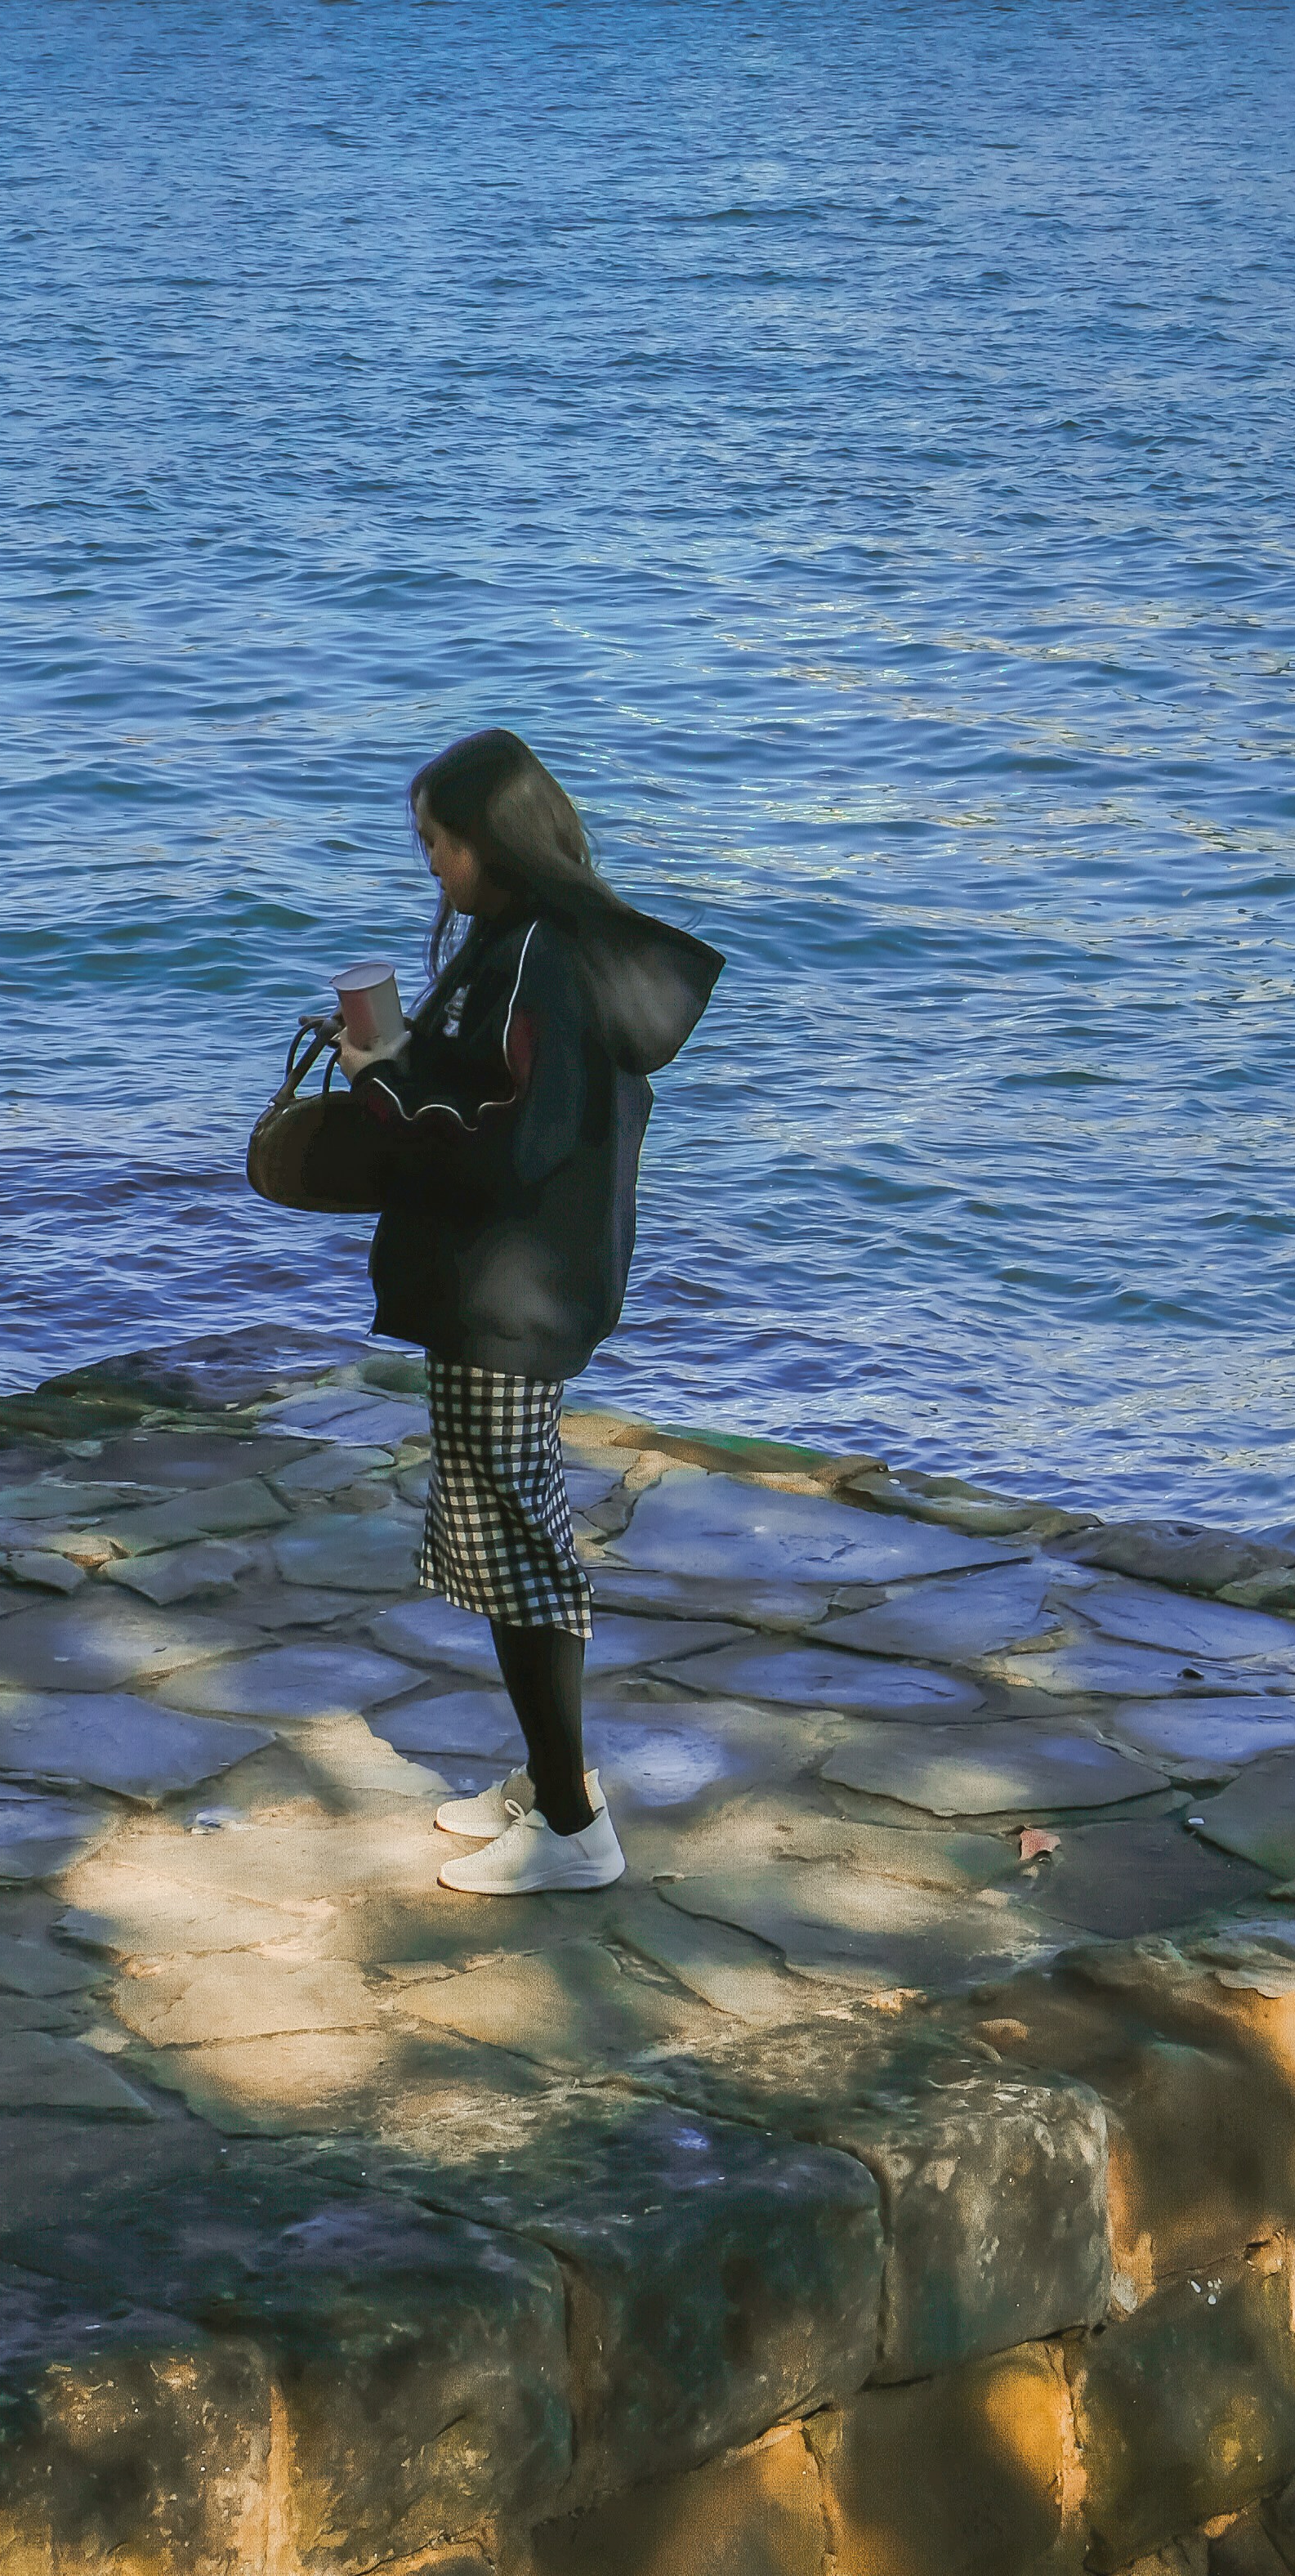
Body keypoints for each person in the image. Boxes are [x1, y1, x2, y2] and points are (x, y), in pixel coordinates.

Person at [342, 728, 722, 1895]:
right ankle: (553, 1781)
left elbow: (508, 1149)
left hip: (509, 1288)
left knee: (521, 1550)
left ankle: (572, 1829)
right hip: (534, 1278)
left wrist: (382, 1075)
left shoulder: (534, 962)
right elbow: (515, 1103)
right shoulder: (549, 948)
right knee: (505, 1538)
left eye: (441, 843)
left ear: (493, 842)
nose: (433, 869)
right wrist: (407, 1057)